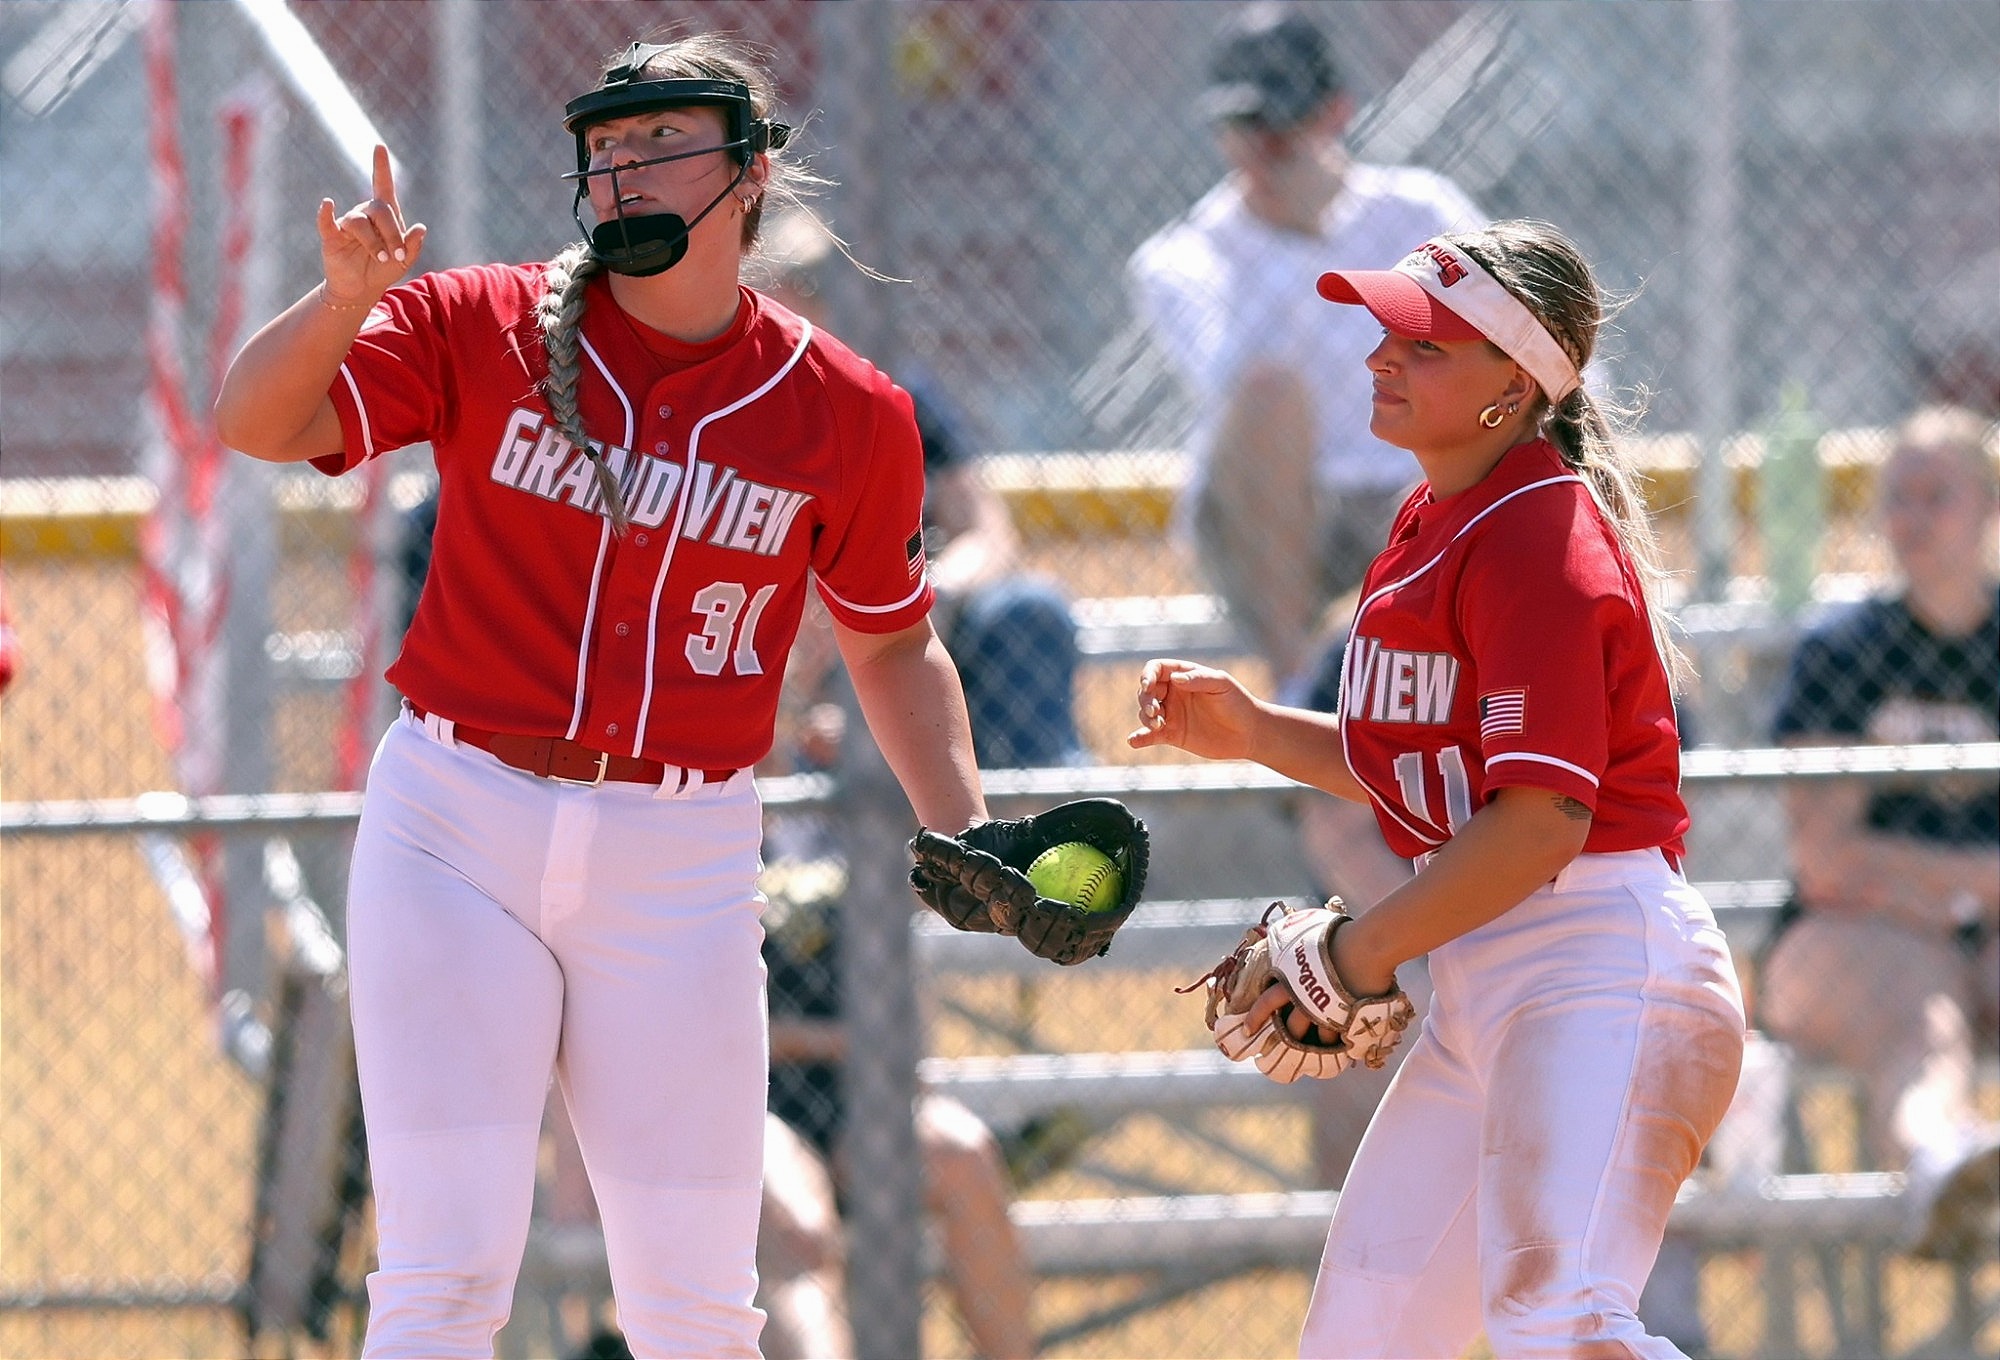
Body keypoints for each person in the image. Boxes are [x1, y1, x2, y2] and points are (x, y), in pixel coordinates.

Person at [212, 33, 993, 1358]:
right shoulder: (484, 321)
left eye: (663, 141)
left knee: (697, 1303)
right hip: (456, 822)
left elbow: (894, 644)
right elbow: (259, 421)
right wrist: (341, 300)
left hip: (677, 857)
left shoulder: (848, 412)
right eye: (608, 146)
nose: (625, 169)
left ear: (749, 175)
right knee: (445, 1278)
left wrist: (965, 827)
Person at [1129, 220, 1748, 1356]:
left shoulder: (1537, 540)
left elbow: (1538, 824)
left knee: (1557, 1323)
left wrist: (1357, 954)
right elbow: (1427, 766)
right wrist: (1260, 731)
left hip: (1598, 967)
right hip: (1492, 985)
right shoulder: (1435, 518)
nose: (1379, 358)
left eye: (1423, 344)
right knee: (1360, 1337)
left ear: (1510, 388)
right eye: (1385, 333)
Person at [1759, 404, 2000, 1259]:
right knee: (1922, 1018)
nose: (1911, 518)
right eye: (1897, 497)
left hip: (1965, 927)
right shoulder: (1844, 652)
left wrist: (1912, 875)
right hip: (1852, 933)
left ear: (1989, 509)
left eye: (1938, 495)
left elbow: (1862, 850)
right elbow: (1826, 862)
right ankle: (1947, 1165)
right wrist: (1962, 892)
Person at [756, 212, 1087, 769]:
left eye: (838, 283)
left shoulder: (899, 396)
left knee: (1029, 609)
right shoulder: (758, 406)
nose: (828, 302)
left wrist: (927, 594)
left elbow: (989, 534)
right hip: (820, 640)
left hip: (924, 611)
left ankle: (1043, 813)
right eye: (807, 284)